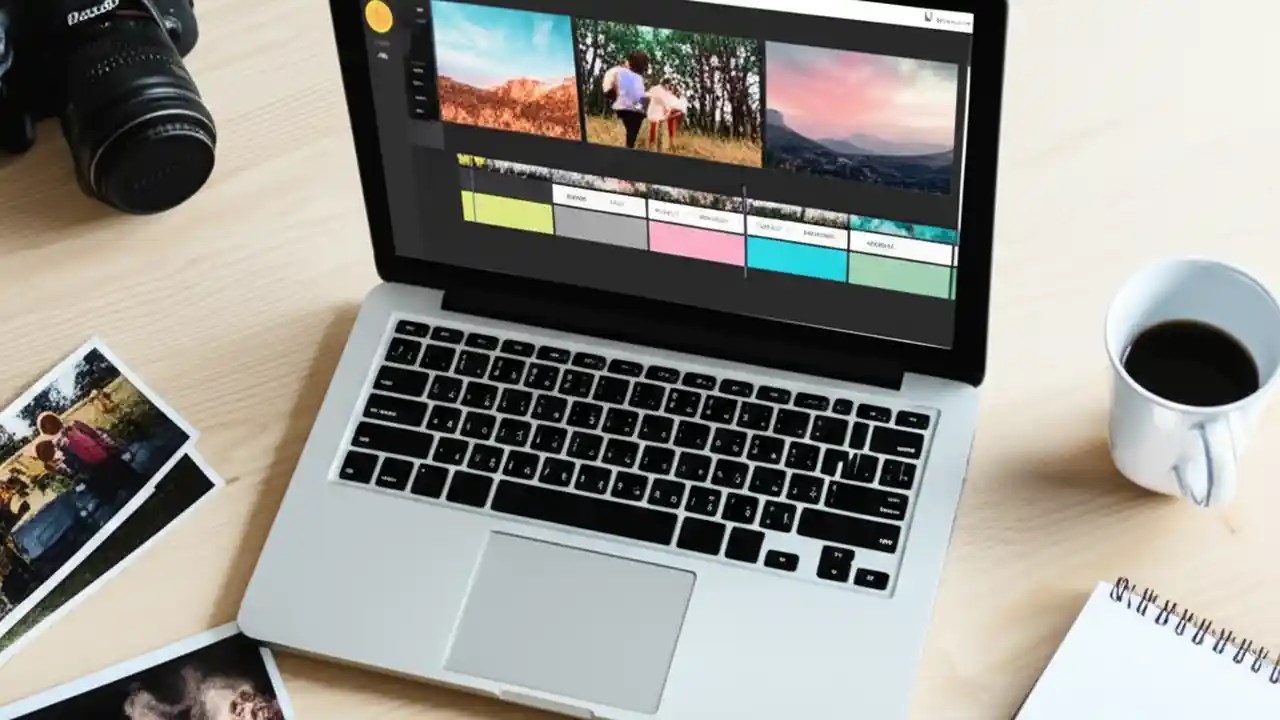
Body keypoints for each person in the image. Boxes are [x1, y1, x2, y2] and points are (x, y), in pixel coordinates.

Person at [35, 411, 144, 501]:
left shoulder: (75, 425)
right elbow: (70, 466)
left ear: (56, 419)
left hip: (106, 457)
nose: (50, 427)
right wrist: (57, 467)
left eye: (50, 422)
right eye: (45, 428)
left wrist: (111, 446)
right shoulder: (58, 445)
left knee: (129, 476)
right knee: (112, 490)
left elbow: (95, 434)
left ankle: (142, 487)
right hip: (94, 469)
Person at [612, 51, 649, 149]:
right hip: (638, 111)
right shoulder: (640, 79)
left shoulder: (621, 72)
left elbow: (616, 86)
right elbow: (640, 96)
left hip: (625, 109)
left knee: (629, 134)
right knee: (631, 136)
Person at [645, 78, 688, 152]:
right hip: (656, 113)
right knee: (655, 129)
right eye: (669, 85)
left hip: (658, 113)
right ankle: (653, 146)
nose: (670, 87)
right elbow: (665, 103)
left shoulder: (661, 90)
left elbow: (649, 95)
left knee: (658, 130)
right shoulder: (660, 90)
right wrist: (668, 112)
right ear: (666, 84)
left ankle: (656, 146)